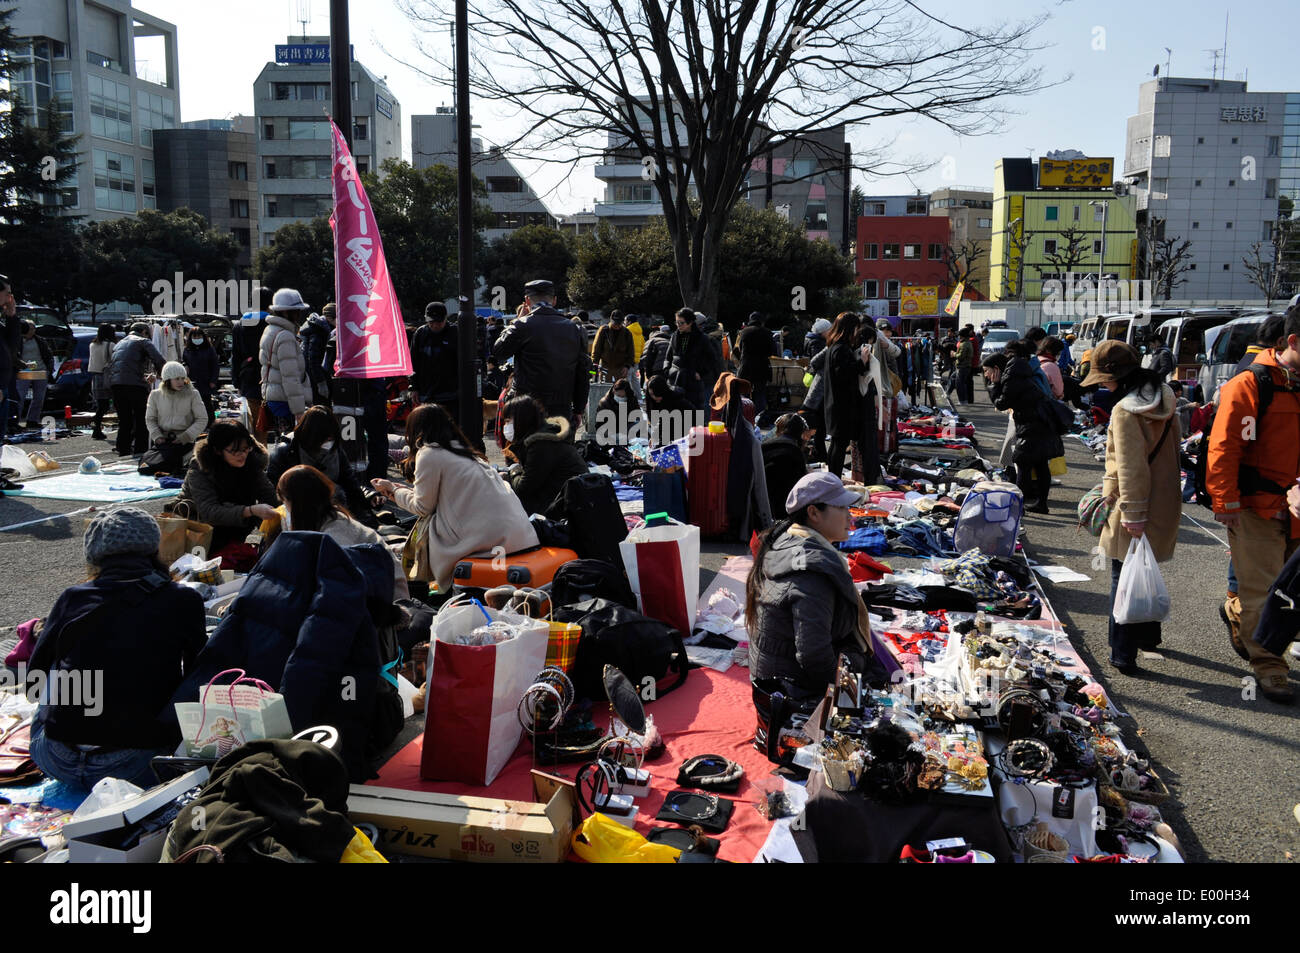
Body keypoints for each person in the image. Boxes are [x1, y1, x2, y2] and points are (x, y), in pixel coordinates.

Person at [26, 507, 206, 789]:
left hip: (56, 758)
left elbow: (33, 684)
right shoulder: (183, 599)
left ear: (96, 552)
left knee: (57, 666)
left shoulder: (73, 598)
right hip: (136, 763)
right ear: (152, 546)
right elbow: (199, 674)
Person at [1208, 306, 1300, 704]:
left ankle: (1237, 610)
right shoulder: (1250, 384)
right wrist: (1224, 498)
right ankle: (1269, 665)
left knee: (1293, 588)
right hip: (1255, 506)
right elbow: (1224, 446)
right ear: (1292, 342)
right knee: (1264, 588)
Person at [1081, 340, 1181, 676]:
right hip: (1165, 498)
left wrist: (1134, 515)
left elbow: (1131, 467)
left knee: (1122, 575)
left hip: (1133, 501)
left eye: (1104, 380)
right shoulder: (1164, 396)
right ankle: (1149, 637)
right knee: (1146, 566)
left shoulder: (1125, 410)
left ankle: (1122, 653)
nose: (1103, 386)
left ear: (1118, 377)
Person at [746, 472, 886, 701]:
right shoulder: (812, 572)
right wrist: (851, 694)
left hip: (774, 678)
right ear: (813, 513)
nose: (850, 517)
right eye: (842, 508)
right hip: (793, 690)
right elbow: (814, 657)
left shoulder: (786, 539)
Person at [370, 403, 538, 594]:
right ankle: (403, 550)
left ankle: (405, 557)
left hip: (490, 542)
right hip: (520, 537)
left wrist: (392, 490)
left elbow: (422, 507)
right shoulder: (464, 451)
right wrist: (397, 490)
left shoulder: (429, 453)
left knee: (427, 522)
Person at [276, 464, 407, 599]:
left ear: (299, 504)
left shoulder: (335, 535)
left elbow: (336, 592)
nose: (284, 509)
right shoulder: (328, 516)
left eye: (285, 502)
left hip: (387, 603)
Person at [492, 279, 590, 422]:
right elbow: (582, 372)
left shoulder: (522, 325)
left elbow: (499, 350)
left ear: (527, 300)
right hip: (561, 406)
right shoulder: (574, 329)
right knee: (561, 442)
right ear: (554, 300)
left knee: (526, 443)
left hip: (527, 405)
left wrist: (517, 320)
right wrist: (579, 409)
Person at [176, 420, 279, 552]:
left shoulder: (252, 460)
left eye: (245, 449)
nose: (242, 455)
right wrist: (251, 510)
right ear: (218, 450)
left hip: (236, 527)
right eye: (234, 451)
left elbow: (268, 495)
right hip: (199, 529)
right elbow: (209, 512)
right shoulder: (201, 466)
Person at [984, 341, 1060, 514]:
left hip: (1030, 424)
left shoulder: (1013, 374)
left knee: (1022, 463)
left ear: (996, 368)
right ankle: (1041, 504)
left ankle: (1018, 507)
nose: (987, 376)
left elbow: (1002, 403)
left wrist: (995, 385)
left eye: (987, 372)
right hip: (1042, 421)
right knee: (1040, 464)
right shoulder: (1026, 369)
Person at [267, 404, 369, 517]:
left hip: (334, 510)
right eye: (325, 438)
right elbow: (273, 490)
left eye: (331, 438)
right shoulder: (286, 451)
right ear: (312, 436)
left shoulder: (335, 450)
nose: (328, 443)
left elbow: (350, 482)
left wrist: (370, 498)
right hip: (297, 512)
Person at [501, 394, 589, 515]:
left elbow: (523, 489)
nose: (506, 426)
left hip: (567, 507)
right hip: (569, 500)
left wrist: (513, 469)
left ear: (521, 419)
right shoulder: (543, 437)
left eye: (508, 421)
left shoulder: (541, 444)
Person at [823, 312, 874, 481]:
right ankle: (834, 480)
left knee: (836, 444)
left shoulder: (833, 347)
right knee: (839, 444)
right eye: (856, 328)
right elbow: (844, 374)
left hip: (834, 403)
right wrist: (862, 362)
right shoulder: (841, 349)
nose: (857, 332)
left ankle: (832, 478)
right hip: (841, 405)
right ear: (850, 328)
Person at [107, 322, 166, 457]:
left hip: (116, 385)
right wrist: (163, 376)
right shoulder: (143, 341)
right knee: (141, 418)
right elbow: (159, 360)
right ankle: (141, 450)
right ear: (145, 332)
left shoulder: (119, 343)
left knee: (124, 419)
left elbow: (120, 365)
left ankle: (123, 449)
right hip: (135, 385)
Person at [260, 288, 313, 433]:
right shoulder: (285, 336)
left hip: (275, 397)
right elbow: (290, 377)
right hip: (286, 400)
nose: (298, 314)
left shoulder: (270, 330)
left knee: (282, 443)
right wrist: (299, 411)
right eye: (296, 311)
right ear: (285, 312)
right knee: (291, 444)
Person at [144, 361, 208, 462]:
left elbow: (202, 419)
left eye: (183, 378)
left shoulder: (193, 394)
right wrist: (157, 436)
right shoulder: (155, 395)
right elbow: (150, 419)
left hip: (185, 443)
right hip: (163, 442)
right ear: (167, 380)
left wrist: (185, 437)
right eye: (177, 379)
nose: (180, 382)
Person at [234, 286, 273, 441]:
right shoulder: (273, 324)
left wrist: (236, 381)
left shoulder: (240, 325)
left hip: (248, 378)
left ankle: (257, 455)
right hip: (272, 377)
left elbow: (235, 355)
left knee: (254, 423)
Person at [411, 302, 459, 420]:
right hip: (426, 392)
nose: (435, 325)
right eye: (431, 322)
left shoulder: (455, 332)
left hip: (450, 393)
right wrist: (414, 387)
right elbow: (413, 362)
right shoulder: (420, 333)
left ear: (445, 319)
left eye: (439, 322)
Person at [666, 307, 721, 410]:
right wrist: (667, 370)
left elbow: (712, 358)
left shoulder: (702, 338)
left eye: (681, 323)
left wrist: (701, 373)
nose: (678, 325)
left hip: (692, 380)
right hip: (674, 378)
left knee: (693, 410)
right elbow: (668, 356)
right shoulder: (674, 336)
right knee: (675, 410)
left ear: (690, 322)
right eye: (677, 322)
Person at [761, 413, 811, 519]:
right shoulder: (795, 451)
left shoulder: (764, 445)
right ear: (800, 432)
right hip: (786, 506)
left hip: (762, 500)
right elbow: (802, 484)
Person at [13, 320, 54, 429]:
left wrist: (49, 370)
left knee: (39, 397)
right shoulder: (18, 340)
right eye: (30, 328)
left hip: (40, 370)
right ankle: (15, 421)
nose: (32, 331)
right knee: (20, 397)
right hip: (24, 371)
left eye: (34, 328)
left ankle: (32, 420)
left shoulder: (40, 340)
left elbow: (49, 355)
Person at [736, 311, 775, 414]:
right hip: (762, 367)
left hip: (746, 366)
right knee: (760, 393)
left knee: (744, 393)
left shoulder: (744, 332)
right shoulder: (767, 332)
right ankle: (759, 418)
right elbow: (772, 351)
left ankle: (744, 415)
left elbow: (739, 349)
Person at [182, 327, 220, 428]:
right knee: (192, 406)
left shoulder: (209, 349)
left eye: (199, 336)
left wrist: (213, 380)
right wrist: (184, 365)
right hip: (191, 382)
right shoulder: (187, 350)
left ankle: (211, 425)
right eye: (195, 336)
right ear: (191, 337)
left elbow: (215, 366)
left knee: (207, 404)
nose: (197, 338)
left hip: (206, 382)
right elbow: (183, 361)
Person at [644, 374, 696, 445]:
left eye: (655, 394)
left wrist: (658, 446)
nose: (654, 397)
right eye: (651, 394)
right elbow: (662, 421)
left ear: (661, 391)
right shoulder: (665, 399)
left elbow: (668, 429)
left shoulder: (674, 402)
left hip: (690, 432)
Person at [299, 304, 334, 405]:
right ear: (330, 318)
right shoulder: (319, 330)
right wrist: (321, 383)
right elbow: (313, 358)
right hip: (316, 376)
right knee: (321, 405)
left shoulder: (321, 327)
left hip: (315, 374)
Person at [88, 324, 116, 441]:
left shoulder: (92, 344)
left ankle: (96, 429)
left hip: (95, 377)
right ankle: (97, 430)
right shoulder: (111, 345)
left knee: (101, 406)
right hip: (107, 377)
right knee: (114, 404)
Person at [591, 310, 635, 383]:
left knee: (619, 391)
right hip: (605, 367)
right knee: (604, 390)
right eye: (615, 324)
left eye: (619, 324)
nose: (617, 326)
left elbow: (631, 352)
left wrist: (627, 366)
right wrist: (595, 364)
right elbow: (596, 349)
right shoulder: (604, 330)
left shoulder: (627, 333)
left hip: (621, 369)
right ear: (611, 321)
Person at [594, 377, 640, 445]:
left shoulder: (632, 400)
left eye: (623, 396)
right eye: (618, 395)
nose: (620, 398)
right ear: (613, 391)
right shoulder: (604, 403)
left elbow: (637, 416)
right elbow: (599, 426)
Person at [951, 328, 974, 405]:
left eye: (960, 336)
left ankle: (963, 400)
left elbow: (961, 356)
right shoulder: (967, 342)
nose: (959, 337)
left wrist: (954, 354)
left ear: (963, 336)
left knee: (960, 384)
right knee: (953, 378)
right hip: (965, 366)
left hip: (962, 366)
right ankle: (947, 393)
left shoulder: (964, 344)